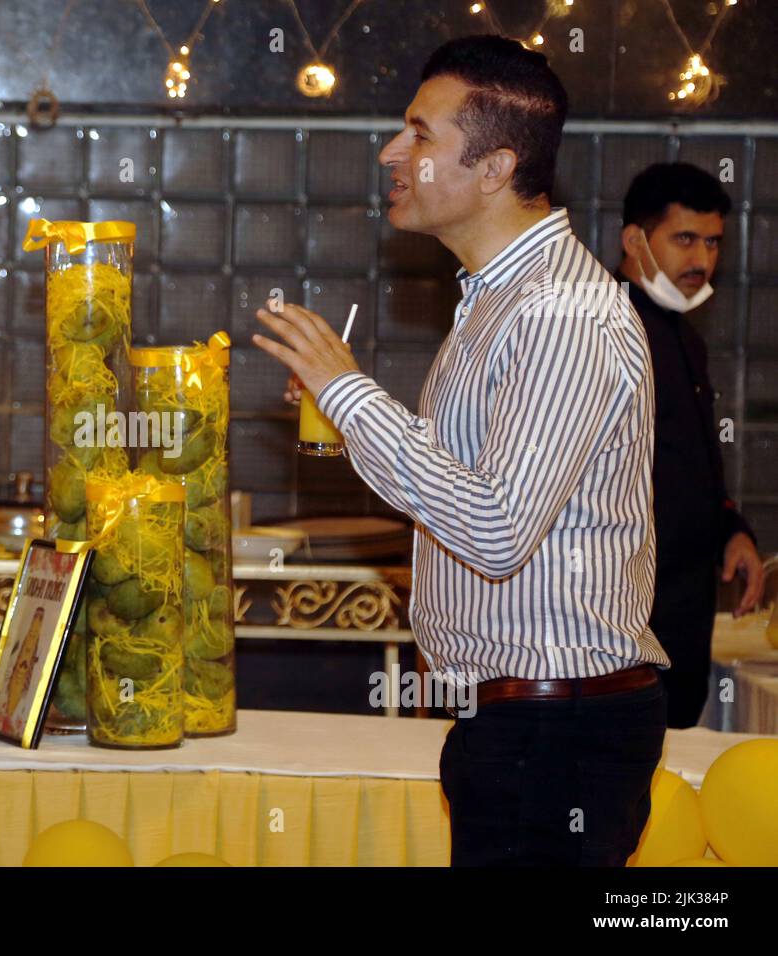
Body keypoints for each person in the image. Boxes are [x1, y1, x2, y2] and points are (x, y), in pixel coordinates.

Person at [253, 36, 670, 866]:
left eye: (419, 135)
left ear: (493, 168)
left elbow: (495, 528)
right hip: (524, 723)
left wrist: (349, 392)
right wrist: (351, 418)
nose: (391, 152)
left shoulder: (560, 313)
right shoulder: (494, 300)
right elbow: (467, 488)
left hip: (558, 729)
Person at [616, 162, 765, 729]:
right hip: (620, 619)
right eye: (684, 239)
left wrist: (732, 529)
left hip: (684, 612)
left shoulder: (685, 335)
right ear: (635, 239)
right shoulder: (603, 326)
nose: (702, 260)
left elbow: (690, 464)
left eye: (713, 242)